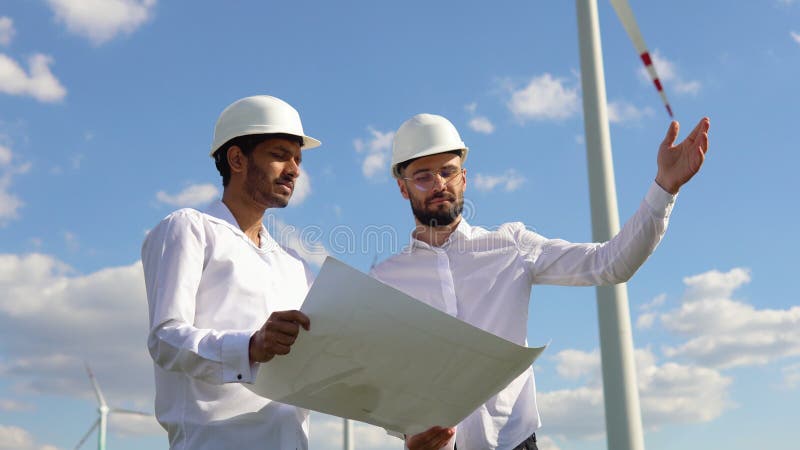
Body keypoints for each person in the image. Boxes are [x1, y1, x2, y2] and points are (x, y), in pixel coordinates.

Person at [370, 113, 710, 450]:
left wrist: (665, 187)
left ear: (464, 178)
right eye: (424, 177)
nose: (439, 184)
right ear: (403, 187)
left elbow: (610, 263)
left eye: (448, 171)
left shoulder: (511, 245)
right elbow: (373, 377)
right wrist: (405, 434)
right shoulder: (383, 280)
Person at [141, 95, 322, 449]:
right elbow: (165, 339)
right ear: (237, 158)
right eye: (280, 154)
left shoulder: (295, 265)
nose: (294, 169)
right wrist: (251, 346)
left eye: (298, 159)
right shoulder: (190, 228)